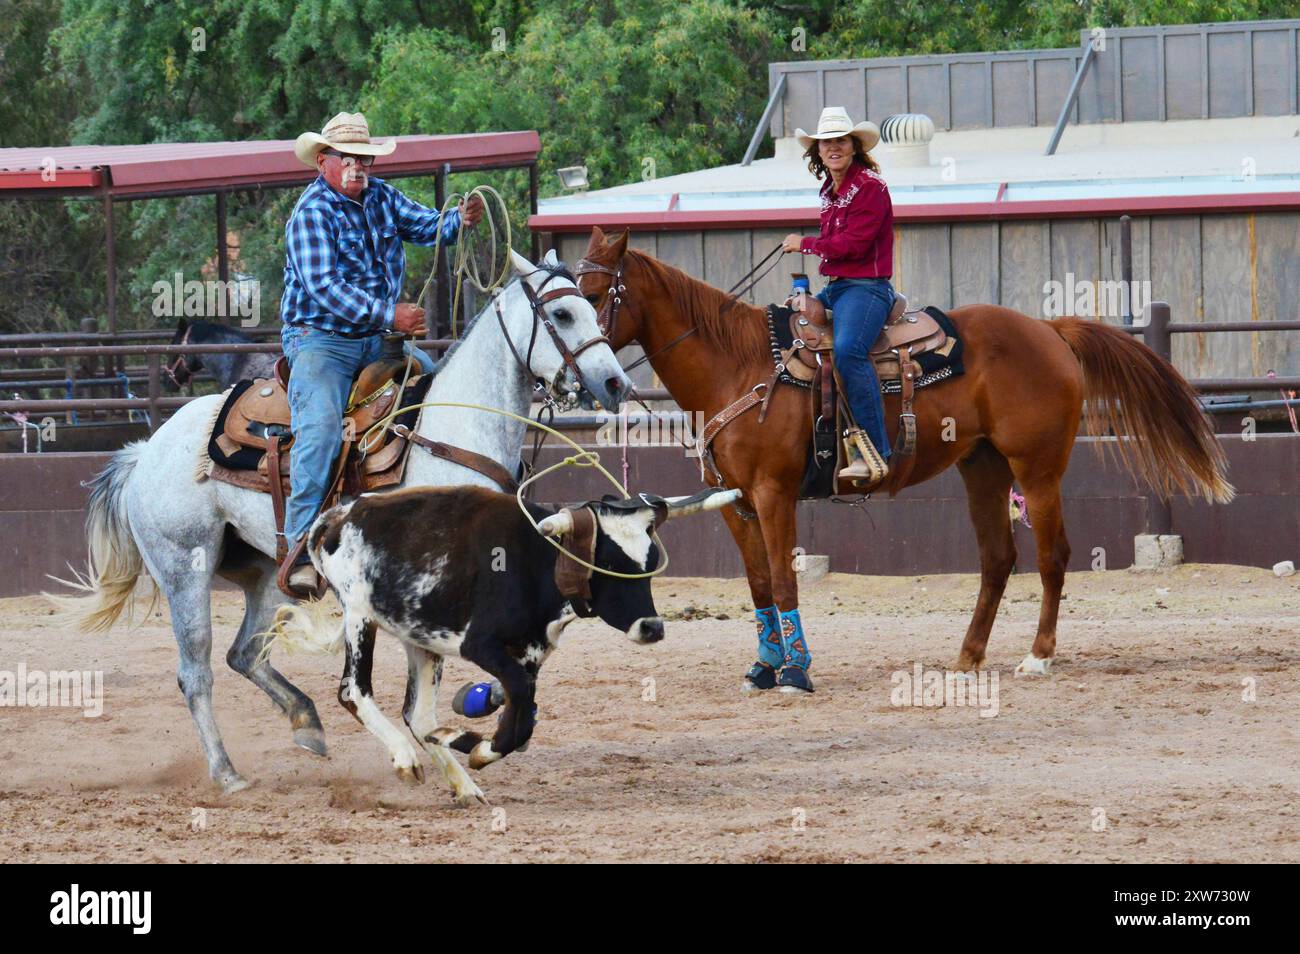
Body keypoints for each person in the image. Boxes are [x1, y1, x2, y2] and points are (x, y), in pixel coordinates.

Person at [278, 111, 484, 594]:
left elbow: (428, 225)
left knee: (439, 390)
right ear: (323, 161)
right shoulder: (311, 214)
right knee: (322, 431)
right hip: (319, 339)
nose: (358, 166)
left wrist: (460, 219)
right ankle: (298, 549)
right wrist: (389, 315)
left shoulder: (382, 198)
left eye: (363, 158)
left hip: (375, 339)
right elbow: (324, 287)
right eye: (347, 158)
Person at [782, 106, 894, 485]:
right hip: (837, 288)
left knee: (848, 351)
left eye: (840, 141)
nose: (833, 148)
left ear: (853, 147)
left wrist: (805, 243)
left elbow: (855, 245)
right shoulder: (830, 191)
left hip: (866, 288)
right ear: (818, 151)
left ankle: (874, 450)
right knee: (782, 324)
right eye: (826, 142)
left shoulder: (871, 188)